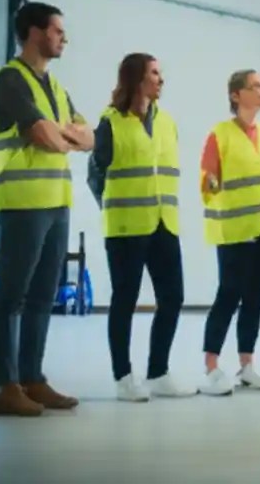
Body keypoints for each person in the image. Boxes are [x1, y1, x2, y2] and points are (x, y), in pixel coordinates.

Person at [0, 1, 92, 417]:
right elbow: (45, 135)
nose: (63, 37)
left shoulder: (57, 89)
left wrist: (64, 134)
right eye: (57, 30)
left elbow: (90, 139)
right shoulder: (10, 80)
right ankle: (4, 386)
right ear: (33, 32)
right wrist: (64, 136)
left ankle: (32, 378)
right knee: (10, 295)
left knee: (43, 295)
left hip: (56, 203)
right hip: (21, 203)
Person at [87, 53, 195, 402]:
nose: (161, 79)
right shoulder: (110, 123)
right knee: (125, 300)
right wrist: (113, 206)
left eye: (160, 72)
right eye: (154, 73)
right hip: (126, 226)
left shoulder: (167, 122)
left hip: (164, 222)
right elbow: (96, 174)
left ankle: (158, 372)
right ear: (135, 79)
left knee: (172, 297)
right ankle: (123, 377)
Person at [199, 69, 260, 395]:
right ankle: (211, 366)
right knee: (229, 293)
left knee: (255, 297)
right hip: (236, 227)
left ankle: (247, 365)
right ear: (236, 95)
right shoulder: (220, 134)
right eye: (254, 87)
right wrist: (210, 183)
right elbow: (208, 179)